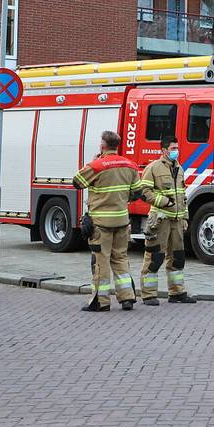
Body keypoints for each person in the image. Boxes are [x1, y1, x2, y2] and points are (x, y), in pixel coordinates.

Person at [74, 131, 146, 312]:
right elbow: (138, 192)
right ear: (117, 145)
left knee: (101, 261)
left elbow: (77, 182)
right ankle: (127, 298)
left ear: (102, 146)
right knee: (120, 258)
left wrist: (92, 161)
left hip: (101, 223)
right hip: (122, 220)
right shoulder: (130, 165)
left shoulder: (97, 165)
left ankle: (101, 301)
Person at [138, 135, 197, 305]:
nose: (176, 152)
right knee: (155, 256)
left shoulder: (179, 169)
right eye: (173, 149)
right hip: (160, 220)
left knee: (178, 257)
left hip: (177, 221)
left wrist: (185, 217)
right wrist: (164, 202)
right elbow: (144, 192)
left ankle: (177, 293)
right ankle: (148, 294)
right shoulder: (153, 168)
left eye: (177, 148)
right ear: (163, 150)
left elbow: (182, 196)